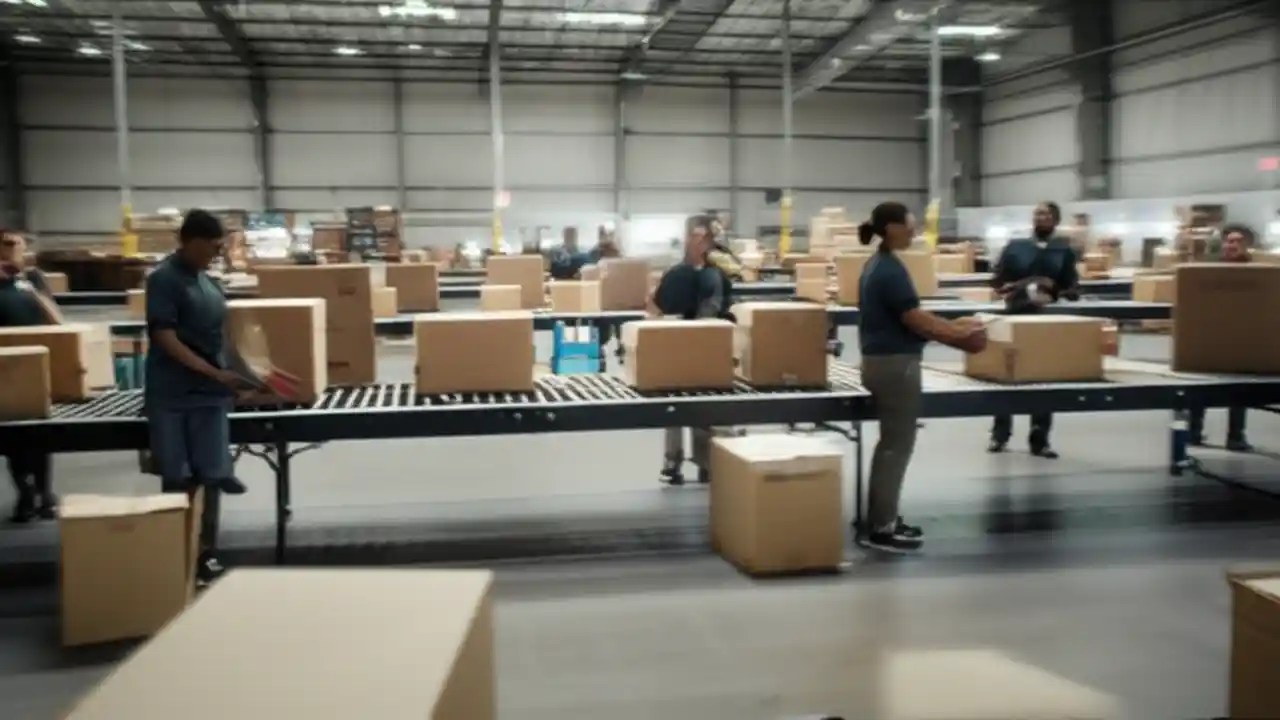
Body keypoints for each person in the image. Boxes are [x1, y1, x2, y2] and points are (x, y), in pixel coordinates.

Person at [857, 202, 988, 551]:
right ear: (892, 228)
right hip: (895, 365)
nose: (914, 231)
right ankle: (881, 529)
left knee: (890, 447)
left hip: (882, 362)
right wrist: (959, 337)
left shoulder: (879, 265)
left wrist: (953, 325)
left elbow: (912, 314)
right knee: (896, 448)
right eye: (909, 225)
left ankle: (882, 517)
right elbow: (913, 319)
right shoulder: (889, 270)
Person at [145, 210, 248, 586]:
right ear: (189, 241)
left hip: (210, 397)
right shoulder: (164, 281)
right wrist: (213, 372)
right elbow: (165, 337)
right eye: (212, 247)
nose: (216, 254)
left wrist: (245, 374)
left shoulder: (209, 282)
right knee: (178, 478)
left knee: (212, 475)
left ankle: (206, 554)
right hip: (172, 395)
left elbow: (223, 337)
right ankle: (177, 557)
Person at [987, 201, 1079, 459]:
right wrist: (1009, 288)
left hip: (1045, 323)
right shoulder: (1016, 248)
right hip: (1014, 318)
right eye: (1038, 213)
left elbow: (1073, 287)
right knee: (1006, 377)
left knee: (1043, 380)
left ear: (1056, 220)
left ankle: (1040, 441)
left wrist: (1055, 294)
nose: (1041, 218)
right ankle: (999, 435)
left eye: (1047, 214)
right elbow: (996, 279)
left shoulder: (1064, 250)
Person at [658, 215, 735, 484]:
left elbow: (725, 306)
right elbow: (658, 307)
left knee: (707, 407)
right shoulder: (677, 274)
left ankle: (706, 462)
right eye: (699, 236)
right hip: (680, 347)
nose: (704, 242)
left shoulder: (718, 273)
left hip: (710, 347)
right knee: (675, 408)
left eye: (708, 238)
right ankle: (672, 461)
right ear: (690, 238)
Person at [0, 230, 62, 522]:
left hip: (38, 361)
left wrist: (27, 285)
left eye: (14, 244)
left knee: (41, 434)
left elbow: (57, 319)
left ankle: (45, 492)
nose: (8, 250)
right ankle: (25, 493)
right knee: (13, 437)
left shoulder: (34, 280)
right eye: (4, 245)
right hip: (6, 366)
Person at [1188, 224, 1255, 451]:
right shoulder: (1210, 269)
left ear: (1247, 245)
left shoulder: (1258, 272)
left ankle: (1235, 436)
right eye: (1229, 241)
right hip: (1211, 336)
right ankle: (1193, 432)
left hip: (1243, 338)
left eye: (1237, 241)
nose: (1232, 245)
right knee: (1201, 387)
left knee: (1239, 390)